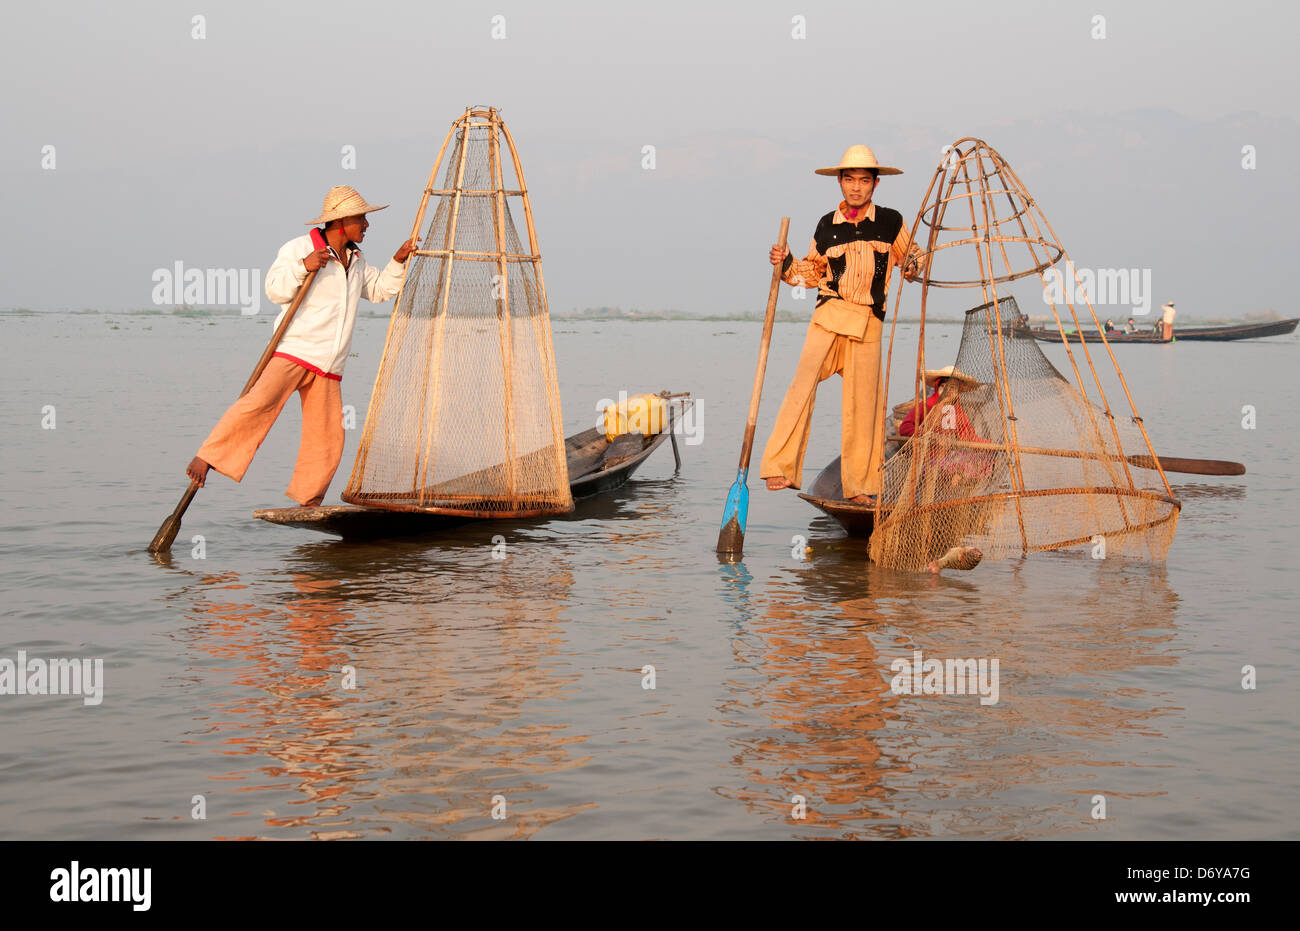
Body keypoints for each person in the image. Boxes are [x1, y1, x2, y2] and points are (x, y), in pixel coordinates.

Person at [185, 186, 417, 506]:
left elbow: (380, 290)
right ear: (340, 222)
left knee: (328, 437)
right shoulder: (299, 248)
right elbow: (275, 290)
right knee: (257, 407)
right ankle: (206, 458)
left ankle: (309, 499)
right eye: (361, 218)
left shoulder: (356, 260)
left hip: (329, 362)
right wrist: (304, 266)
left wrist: (397, 261)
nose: (366, 224)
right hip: (294, 350)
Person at [759, 145, 924, 503]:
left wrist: (914, 263)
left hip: (869, 324)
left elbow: (913, 262)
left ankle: (861, 488)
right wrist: (784, 262)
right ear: (840, 182)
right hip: (829, 318)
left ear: (875, 185)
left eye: (864, 181)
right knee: (801, 387)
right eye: (849, 180)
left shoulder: (891, 222)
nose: (856, 188)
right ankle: (780, 466)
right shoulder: (826, 225)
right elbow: (809, 273)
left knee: (865, 408)